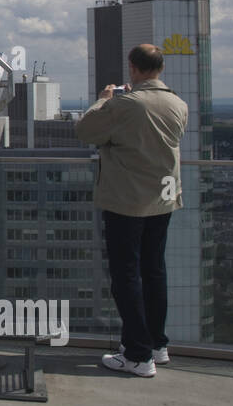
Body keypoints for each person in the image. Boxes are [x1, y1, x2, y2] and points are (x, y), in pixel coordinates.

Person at [75, 43, 188, 378]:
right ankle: (156, 344)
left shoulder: (127, 104)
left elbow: (86, 130)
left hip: (127, 200)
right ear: (160, 68)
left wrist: (105, 99)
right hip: (164, 198)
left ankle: (138, 355)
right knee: (154, 271)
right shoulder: (177, 103)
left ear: (134, 69)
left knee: (126, 275)